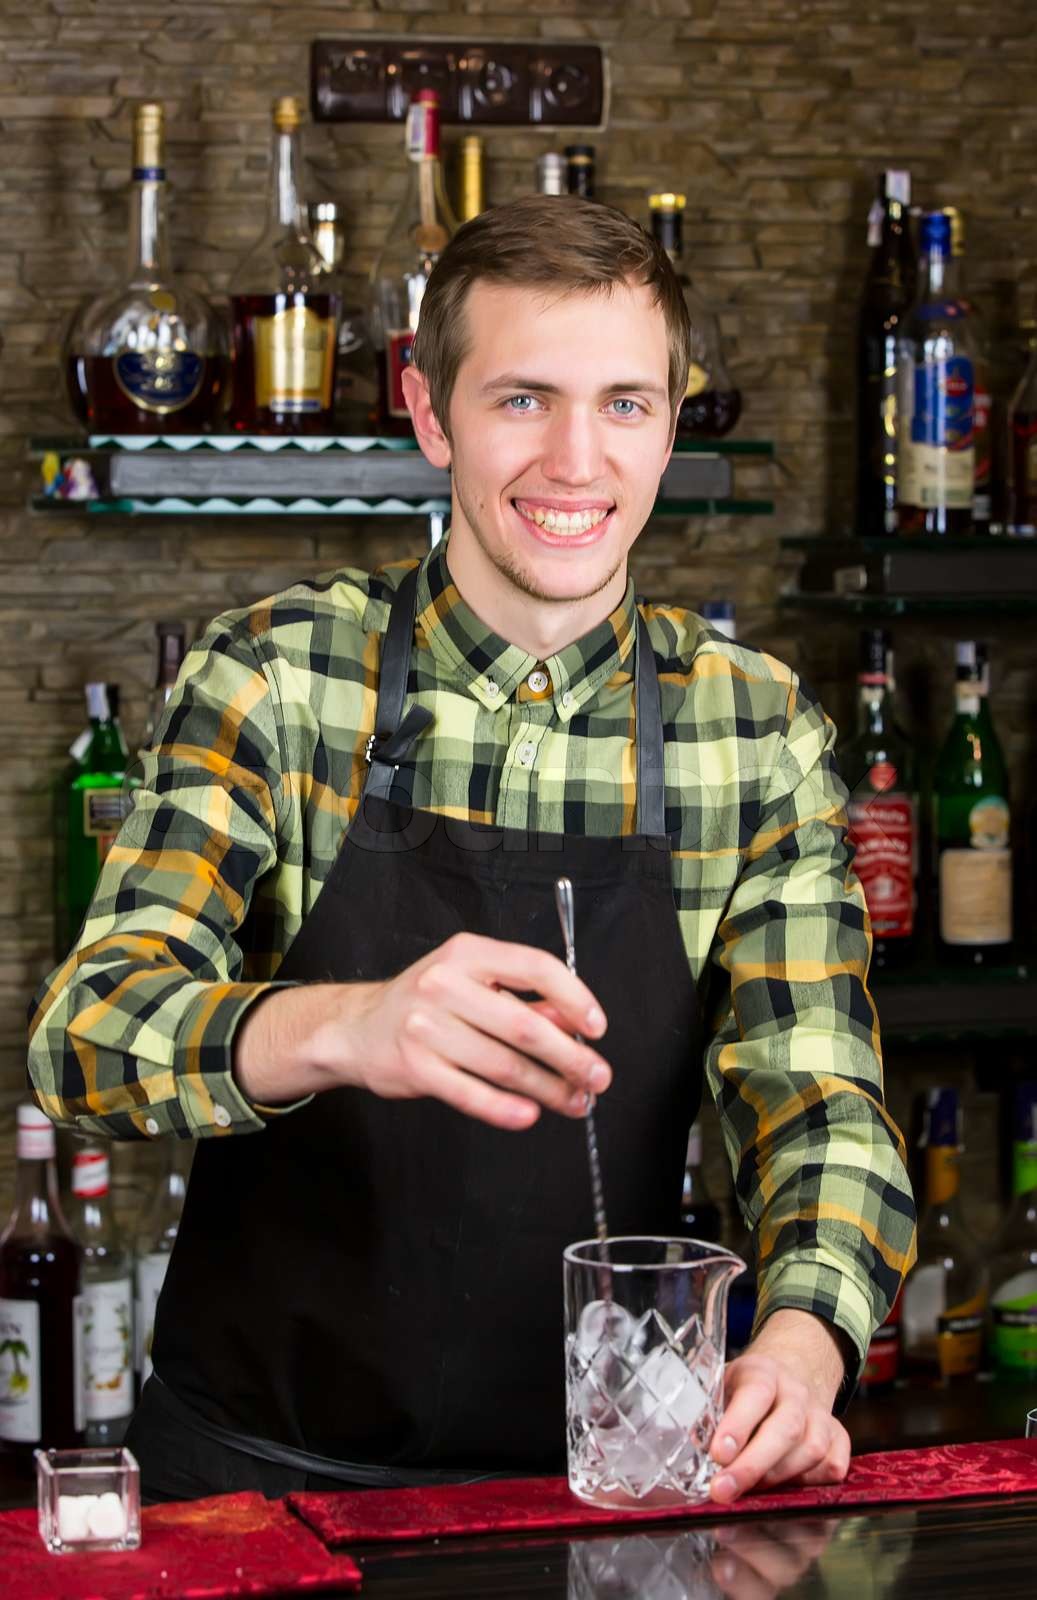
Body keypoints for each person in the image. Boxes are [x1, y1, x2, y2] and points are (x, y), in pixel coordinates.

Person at [28, 195, 916, 1506]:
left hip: (603, 1496)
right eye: (521, 399)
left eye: (623, 402)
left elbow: (818, 1105)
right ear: (429, 410)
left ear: (670, 420)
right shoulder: (275, 676)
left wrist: (802, 1338)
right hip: (255, 1486)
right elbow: (86, 1040)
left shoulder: (753, 727)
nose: (575, 459)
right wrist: (342, 1027)